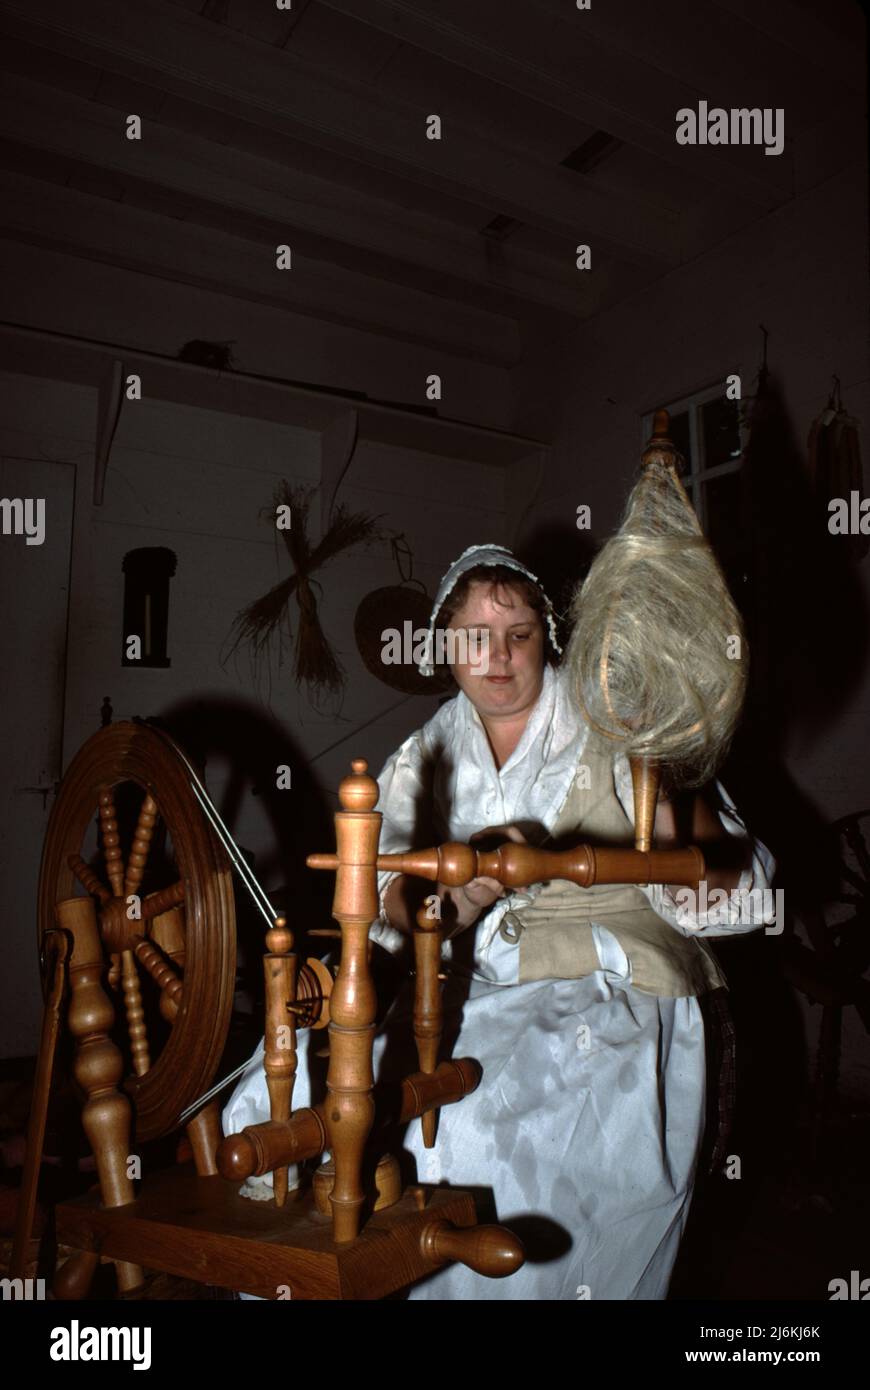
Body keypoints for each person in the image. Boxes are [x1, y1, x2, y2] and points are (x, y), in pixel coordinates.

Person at [223, 543, 775, 1299]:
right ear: (445, 647)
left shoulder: (615, 722)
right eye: (475, 637)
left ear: (548, 638)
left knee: (474, 1131)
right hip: (471, 988)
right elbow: (392, 897)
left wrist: (676, 798)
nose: (499, 657)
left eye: (517, 634)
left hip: (613, 986)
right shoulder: (428, 750)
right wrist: (466, 896)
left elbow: (738, 885)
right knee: (283, 1099)